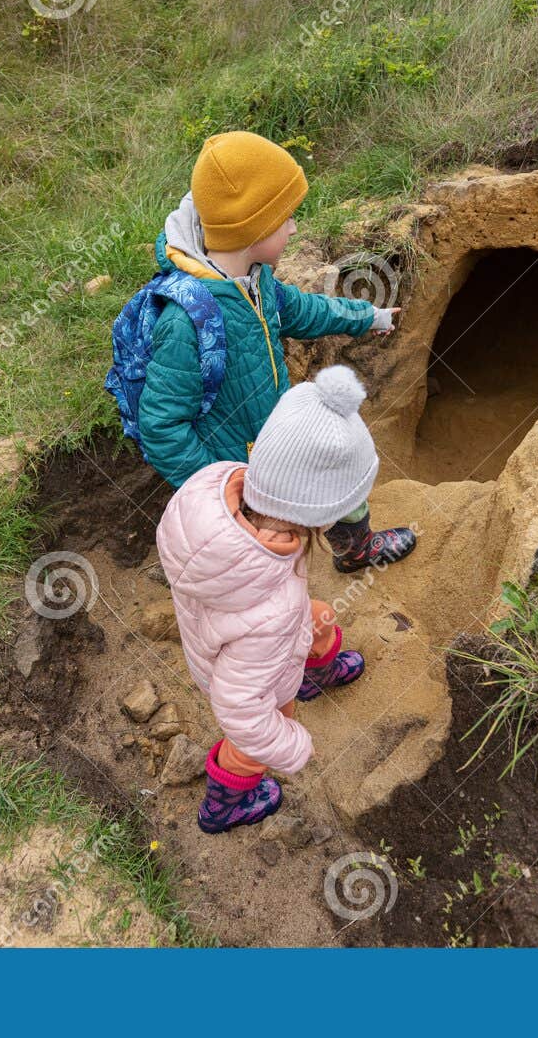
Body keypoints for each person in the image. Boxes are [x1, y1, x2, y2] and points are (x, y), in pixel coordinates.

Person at [113, 130, 415, 573]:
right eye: (286, 218)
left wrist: (366, 317)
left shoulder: (257, 279)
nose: (294, 227)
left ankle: (355, 547)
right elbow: (161, 427)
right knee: (267, 559)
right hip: (237, 467)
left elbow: (304, 310)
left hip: (275, 433)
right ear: (252, 229)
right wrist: (221, 493)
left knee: (328, 466)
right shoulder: (185, 321)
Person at [156, 365, 382, 833]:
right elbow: (241, 710)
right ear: (319, 510)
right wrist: (290, 744)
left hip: (230, 634)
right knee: (253, 740)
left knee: (317, 616)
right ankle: (225, 805)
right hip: (252, 677)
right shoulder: (272, 613)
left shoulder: (220, 489)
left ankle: (314, 675)